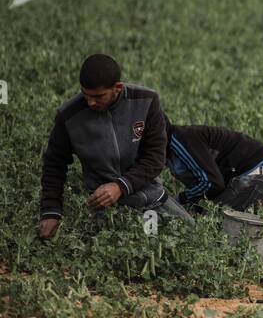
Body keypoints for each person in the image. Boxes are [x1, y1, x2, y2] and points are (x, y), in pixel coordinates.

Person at [37, 54, 190, 239]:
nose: (90, 102)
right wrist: (51, 211)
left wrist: (120, 186)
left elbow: (156, 157)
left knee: (192, 235)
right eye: (85, 95)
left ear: (117, 87)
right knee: (128, 247)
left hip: (152, 198)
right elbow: (54, 164)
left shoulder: (146, 101)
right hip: (106, 208)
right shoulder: (69, 115)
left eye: (98, 96)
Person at [166, 122, 263, 213]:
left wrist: (178, 199)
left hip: (258, 174)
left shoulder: (180, 138)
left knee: (211, 220)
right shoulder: (174, 146)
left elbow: (212, 184)